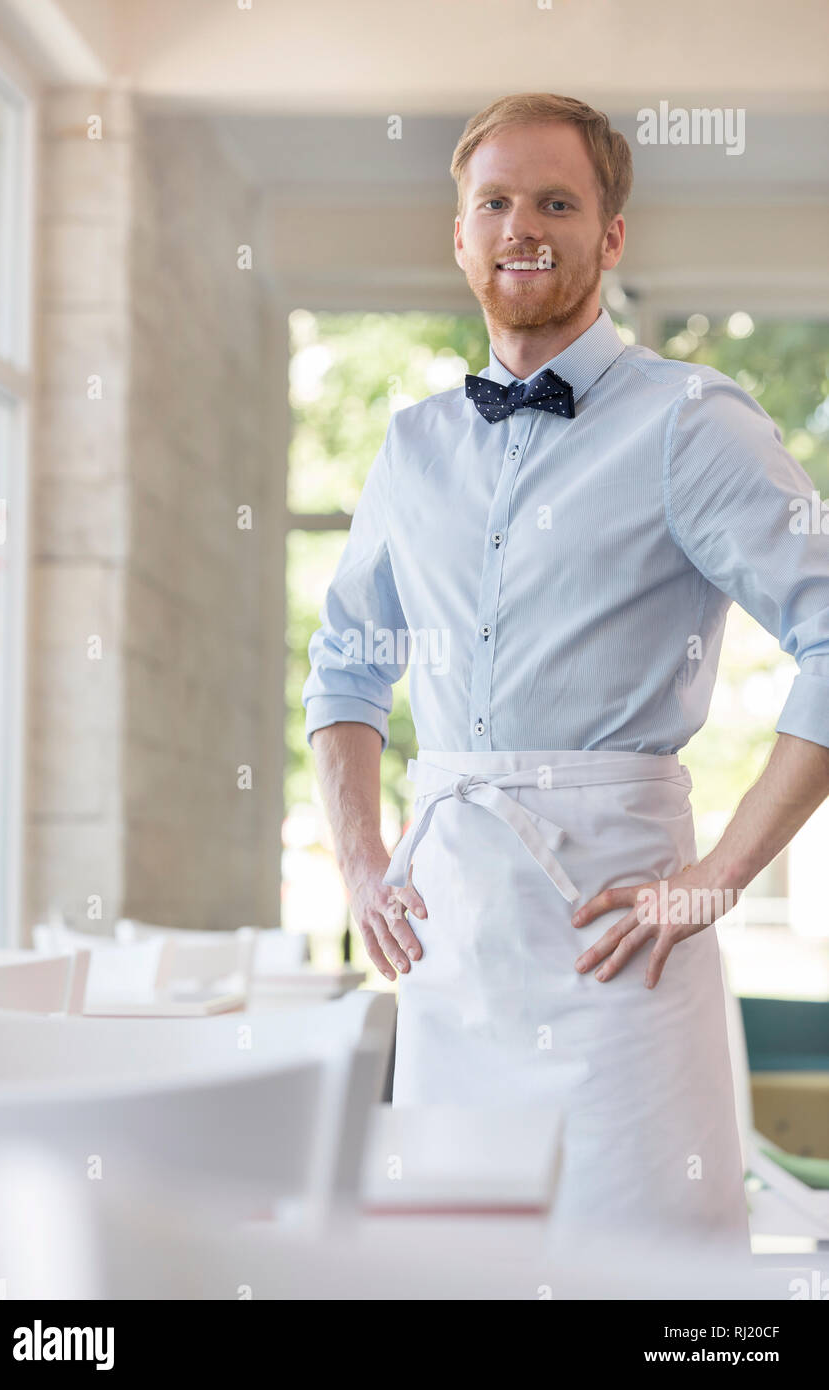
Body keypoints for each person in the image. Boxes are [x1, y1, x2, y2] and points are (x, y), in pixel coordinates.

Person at [301, 93, 829, 1244]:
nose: (520, 226)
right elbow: (344, 671)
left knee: (642, 1284)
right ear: (458, 235)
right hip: (448, 954)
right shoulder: (410, 447)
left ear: (610, 235)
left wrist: (720, 875)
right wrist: (358, 865)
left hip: (621, 966)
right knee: (455, 1270)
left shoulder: (693, 423)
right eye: (492, 201)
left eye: (555, 200)